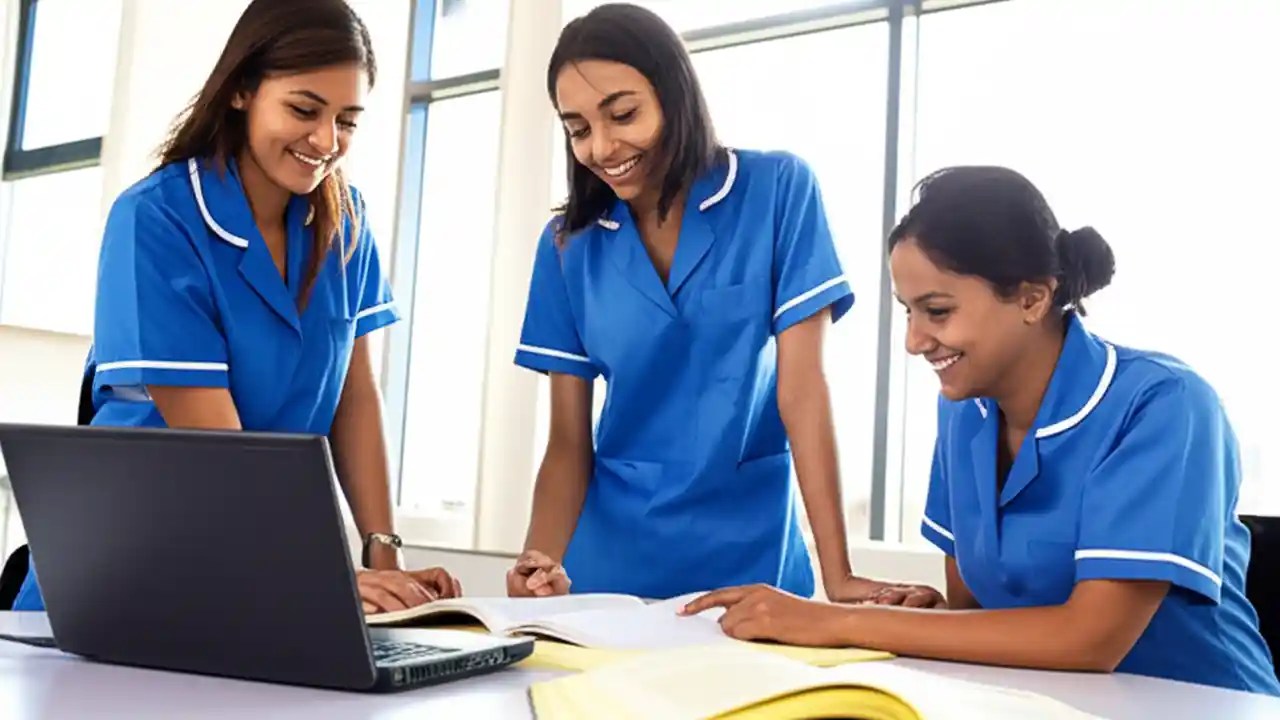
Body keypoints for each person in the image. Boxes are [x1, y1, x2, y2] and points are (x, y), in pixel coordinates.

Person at [682, 166, 1280, 695]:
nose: (915, 341)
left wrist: (830, 621)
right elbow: (975, 613)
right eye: (908, 311)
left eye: (937, 311)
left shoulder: (1165, 405)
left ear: (1031, 298)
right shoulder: (964, 411)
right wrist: (927, 614)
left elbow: (1088, 641)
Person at [13, 0, 460, 614]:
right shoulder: (157, 220)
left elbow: (354, 391)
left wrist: (386, 560)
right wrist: (319, 576)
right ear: (242, 90)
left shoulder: (346, 222)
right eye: (304, 110)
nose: (327, 141)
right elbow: (220, 452)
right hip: (123, 574)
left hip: (263, 567)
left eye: (347, 119)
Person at [506, 2, 942, 607]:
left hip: (751, 566)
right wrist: (540, 561)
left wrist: (838, 575)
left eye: (623, 114)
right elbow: (567, 443)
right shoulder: (565, 248)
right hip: (608, 574)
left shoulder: (778, 191)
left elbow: (802, 392)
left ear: (674, 93)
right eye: (578, 129)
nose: (602, 147)